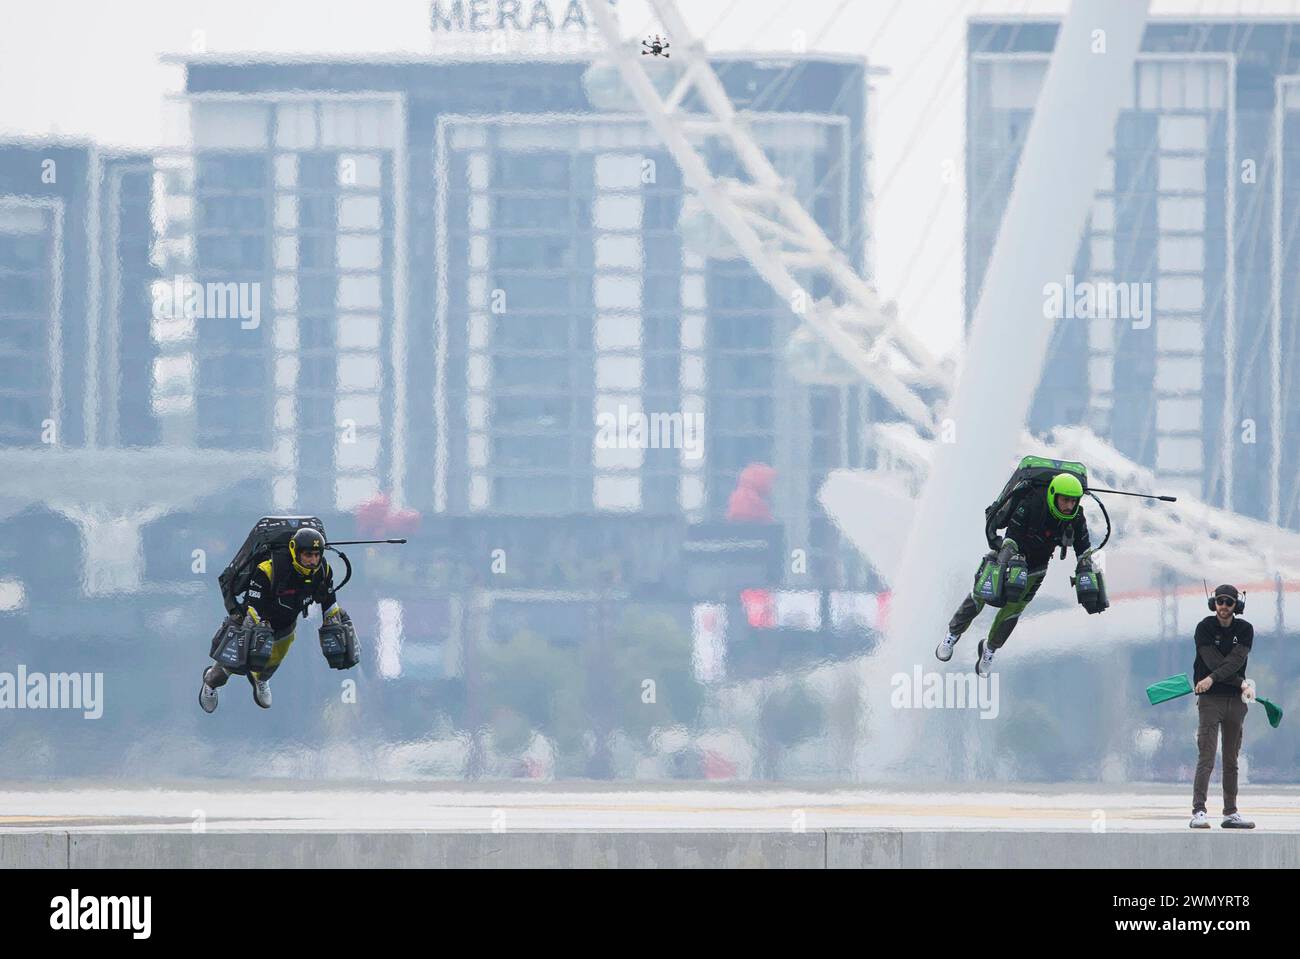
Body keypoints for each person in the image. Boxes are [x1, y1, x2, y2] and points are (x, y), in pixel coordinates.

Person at [937, 471, 1092, 676]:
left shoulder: (1077, 517)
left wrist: (1086, 568)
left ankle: (989, 649)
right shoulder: (1030, 503)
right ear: (1053, 494)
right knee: (981, 594)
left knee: (1014, 610)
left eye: (1073, 501)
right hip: (1008, 557)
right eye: (1065, 500)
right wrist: (1005, 561)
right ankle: (952, 634)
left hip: (1037, 567)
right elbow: (1012, 536)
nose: (1069, 506)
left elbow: (1084, 548)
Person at [199, 526, 348, 712]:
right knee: (229, 666)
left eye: (317, 555)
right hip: (252, 622)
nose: (313, 560)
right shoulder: (269, 569)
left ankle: (260, 681)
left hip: (286, 626)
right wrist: (253, 637)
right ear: (295, 551)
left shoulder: (324, 570)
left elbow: (329, 602)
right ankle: (210, 683)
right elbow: (254, 608)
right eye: (308, 555)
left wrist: (334, 624)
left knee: (269, 666)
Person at [1189, 584, 1255, 829]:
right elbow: (1212, 660)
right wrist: (1242, 683)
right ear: (1213, 604)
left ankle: (1230, 812)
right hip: (1210, 700)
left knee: (1231, 759)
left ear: (1236, 605)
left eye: (1229, 602)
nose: (1224, 607)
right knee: (1206, 756)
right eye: (1220, 602)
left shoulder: (1245, 629)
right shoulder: (1204, 628)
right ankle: (1199, 811)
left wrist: (1213, 678)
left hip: (1236, 702)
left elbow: (1235, 662)